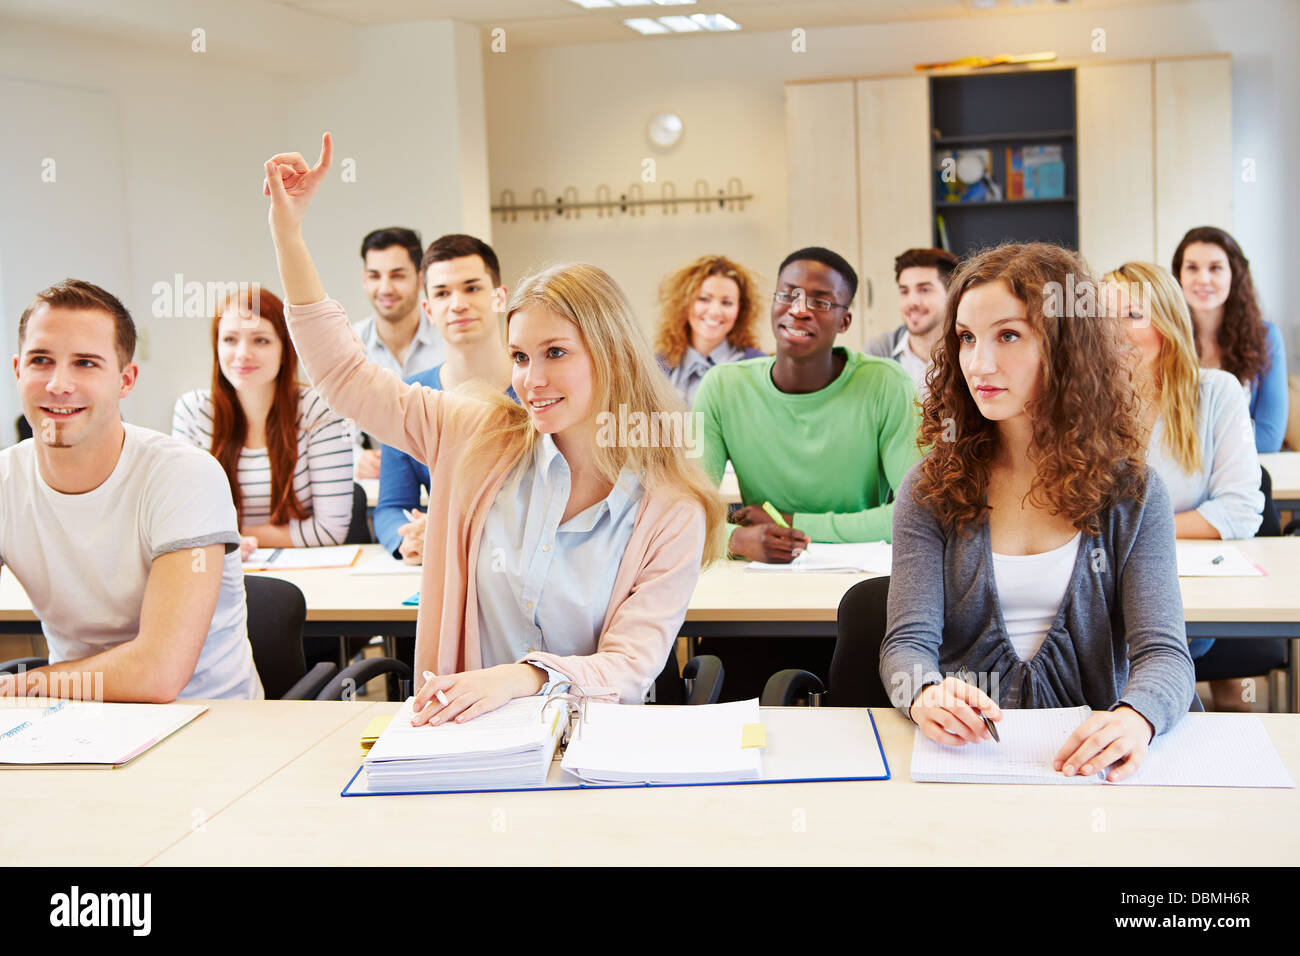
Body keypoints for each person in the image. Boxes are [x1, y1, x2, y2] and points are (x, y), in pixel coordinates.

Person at [263, 134, 725, 724]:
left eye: (556, 352)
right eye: (521, 356)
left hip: (592, 745)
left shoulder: (670, 508)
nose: (532, 379)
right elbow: (345, 375)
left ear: (611, 355)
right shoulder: (475, 432)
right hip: (464, 740)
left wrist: (522, 679)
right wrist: (288, 233)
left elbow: (631, 665)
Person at [880, 243, 1195, 783]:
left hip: (1090, 768)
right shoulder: (930, 488)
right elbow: (906, 646)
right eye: (966, 338)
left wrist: (1136, 717)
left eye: (1009, 335)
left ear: (1066, 347)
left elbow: (1165, 654)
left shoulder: (1133, 492)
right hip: (967, 764)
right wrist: (925, 693)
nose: (979, 363)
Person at [0, 279, 262, 701]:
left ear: (126, 380)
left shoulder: (184, 476)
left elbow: (158, 675)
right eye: (41, 361)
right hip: (73, 720)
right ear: (17, 371)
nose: (58, 384)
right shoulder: (6, 482)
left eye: (85, 363)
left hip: (208, 728)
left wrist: (21, 686)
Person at [694, 245, 921, 698]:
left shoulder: (885, 384)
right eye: (789, 294)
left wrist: (795, 526)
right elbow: (678, 517)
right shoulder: (723, 388)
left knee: (855, 715)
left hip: (858, 608)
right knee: (738, 708)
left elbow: (919, 515)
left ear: (845, 322)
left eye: (820, 301)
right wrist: (737, 540)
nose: (799, 310)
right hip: (758, 604)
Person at [1105, 261, 1263, 711]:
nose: (1114, 332)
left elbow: (1239, 511)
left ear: (1168, 324)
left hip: (1184, 589)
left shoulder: (1216, 393)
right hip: (1100, 588)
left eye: (1131, 316)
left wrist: (1142, 536)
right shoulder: (1080, 404)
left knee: (1152, 664)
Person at [172, 287, 354, 556]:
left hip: (303, 570)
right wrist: (225, 542)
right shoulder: (194, 411)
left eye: (261, 340)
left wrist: (233, 537)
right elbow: (183, 520)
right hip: (219, 568)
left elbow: (329, 530)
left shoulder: (320, 409)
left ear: (286, 348)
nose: (243, 353)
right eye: (230, 339)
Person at [375, 233, 516, 564]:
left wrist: (451, 532)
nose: (457, 304)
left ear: (499, 297)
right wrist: (408, 538)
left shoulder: (540, 388)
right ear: (429, 310)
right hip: (446, 571)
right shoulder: (407, 398)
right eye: (442, 293)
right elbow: (392, 507)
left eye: (472, 288)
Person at [1172, 226, 1288, 453]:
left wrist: (1194, 441)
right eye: (1192, 268)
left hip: (1245, 475)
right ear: (1179, 276)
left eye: (1215, 268)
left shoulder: (1266, 338)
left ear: (1234, 275)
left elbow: (1269, 438)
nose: (1203, 279)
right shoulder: (1165, 337)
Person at [352, 227, 446, 478]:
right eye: (374, 276)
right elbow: (332, 423)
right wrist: (356, 458)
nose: (385, 288)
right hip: (379, 485)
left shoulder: (449, 340)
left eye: (397, 275)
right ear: (364, 279)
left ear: (420, 278)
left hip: (447, 478)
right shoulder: (350, 344)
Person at [653, 254, 765, 405]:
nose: (714, 311)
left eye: (727, 302)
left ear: (741, 309)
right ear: (684, 303)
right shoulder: (657, 367)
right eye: (704, 299)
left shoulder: (759, 368)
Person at [863, 247, 959, 399]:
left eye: (924, 290)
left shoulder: (967, 351)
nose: (912, 302)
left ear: (951, 294)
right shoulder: (879, 351)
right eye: (905, 291)